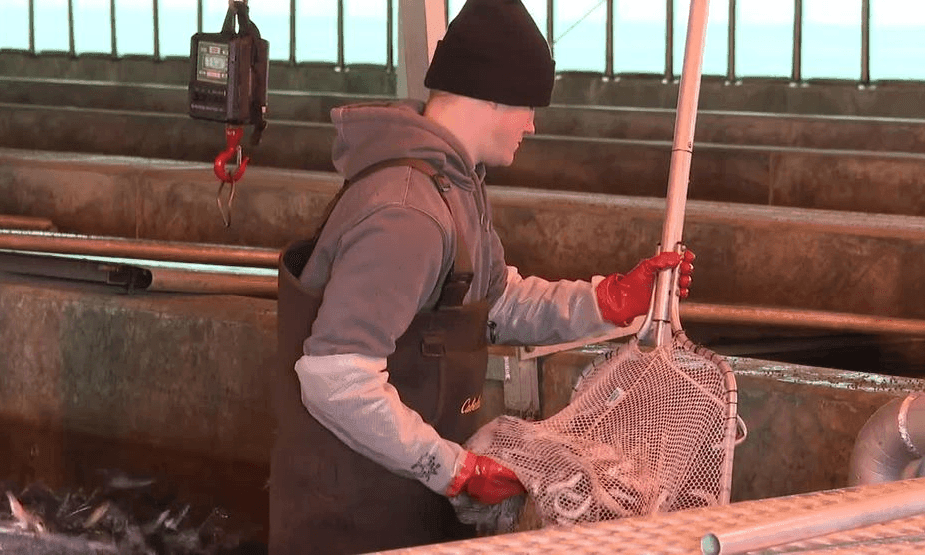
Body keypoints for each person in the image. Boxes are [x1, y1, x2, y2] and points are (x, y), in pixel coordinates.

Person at [269, 0, 695, 552]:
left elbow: (494, 306)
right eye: (528, 106)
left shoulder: (452, 188)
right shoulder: (408, 212)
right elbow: (335, 375)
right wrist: (455, 469)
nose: (532, 124)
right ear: (493, 94)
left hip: (405, 501)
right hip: (352, 519)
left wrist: (609, 301)